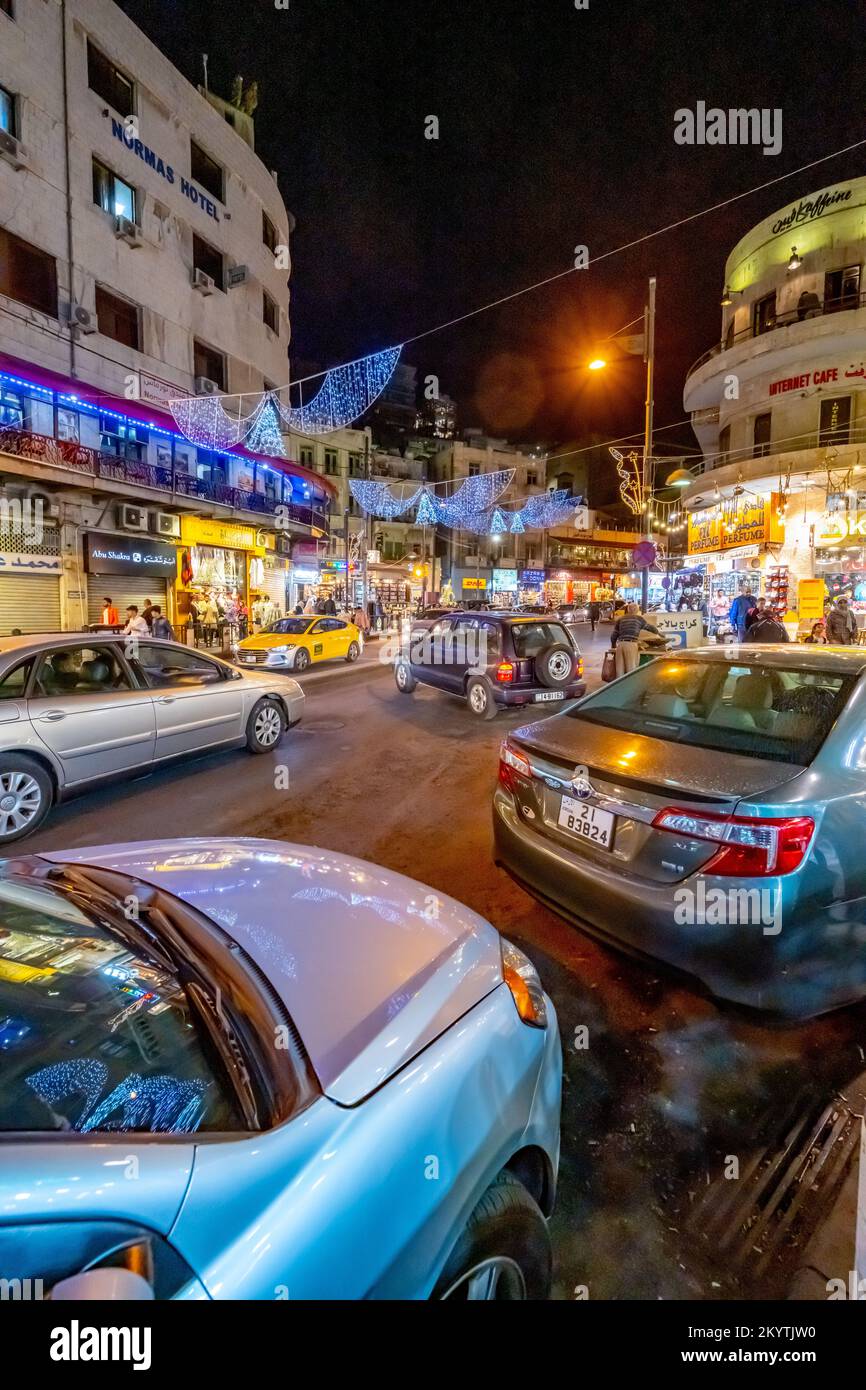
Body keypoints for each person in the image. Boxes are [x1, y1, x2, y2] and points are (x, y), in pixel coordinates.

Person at [612, 602, 660, 677]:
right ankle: (630, 686)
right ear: (637, 610)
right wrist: (658, 632)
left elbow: (614, 635)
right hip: (631, 645)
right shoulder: (639, 619)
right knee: (631, 670)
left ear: (628, 610)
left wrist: (613, 645)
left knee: (619, 671)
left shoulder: (620, 619)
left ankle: (620, 686)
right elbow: (650, 628)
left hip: (620, 645)